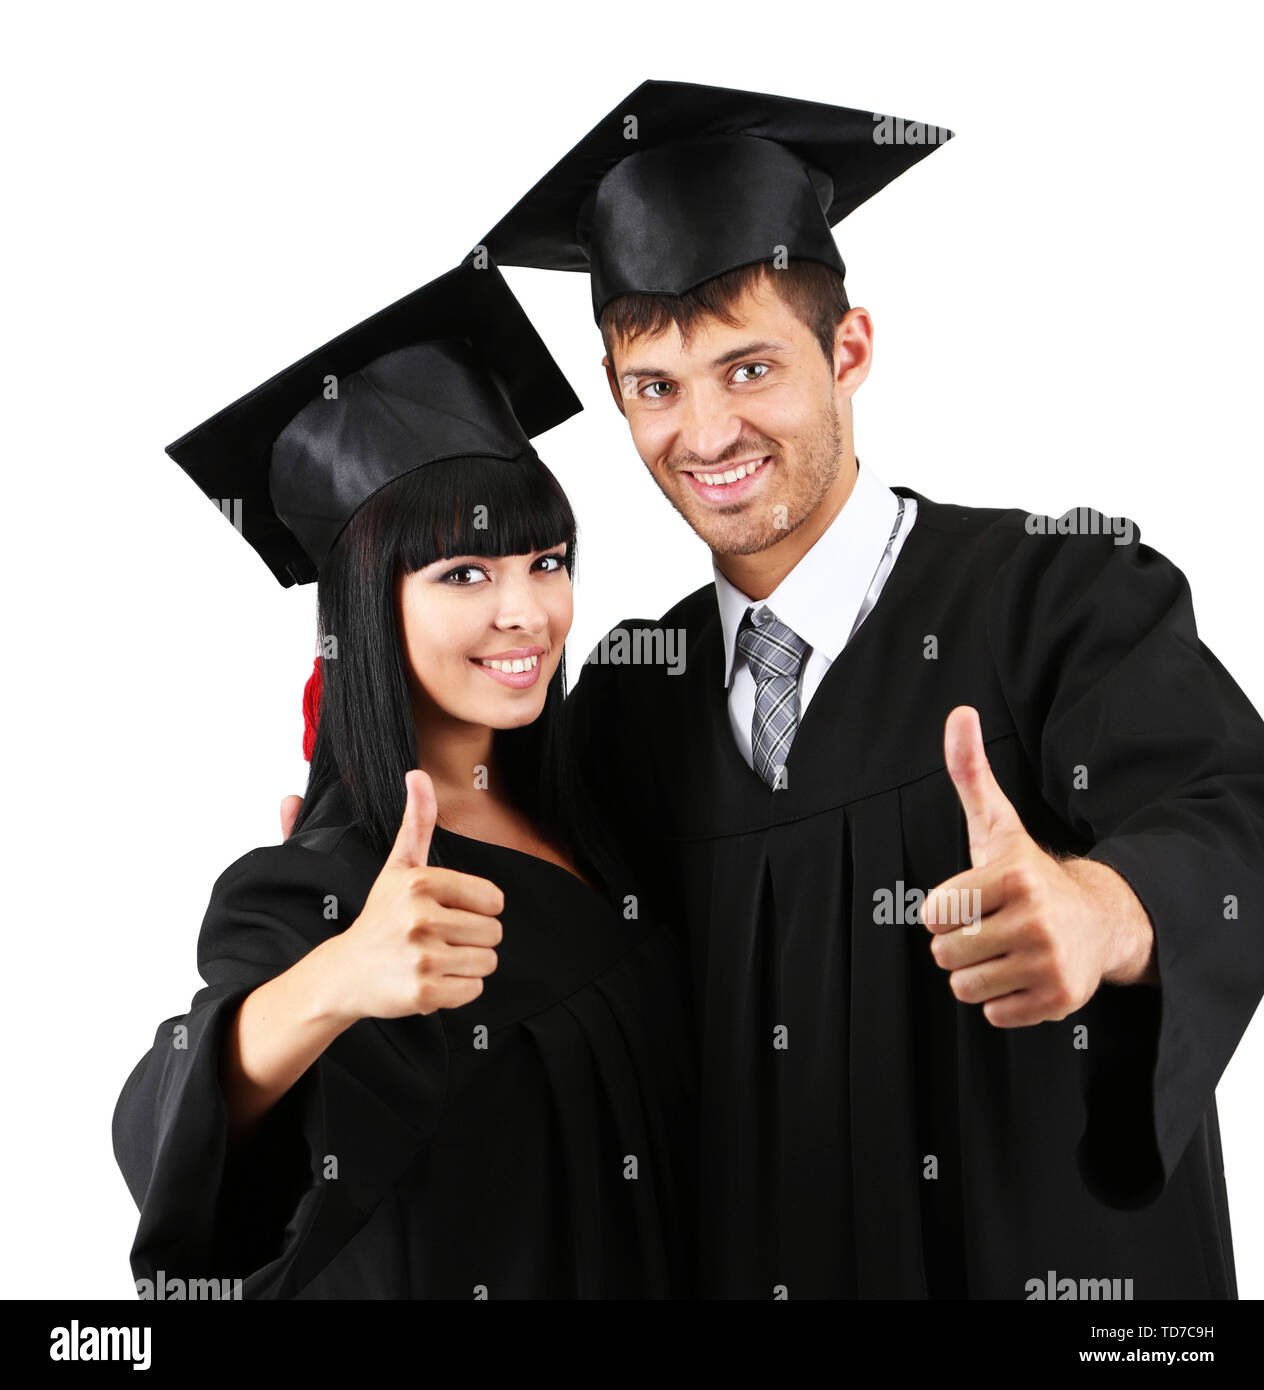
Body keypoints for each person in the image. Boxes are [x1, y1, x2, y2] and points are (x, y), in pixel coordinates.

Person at [471, 79, 1264, 1298]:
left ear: (848, 351)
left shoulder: (1060, 597)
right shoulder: (626, 706)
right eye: (655, 386)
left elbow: (1233, 816)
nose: (704, 432)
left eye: (748, 368)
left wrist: (1104, 912)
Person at [111, 261, 697, 1300]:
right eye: (464, 574)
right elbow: (161, 1127)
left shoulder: (597, 805)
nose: (526, 612)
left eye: (545, 560)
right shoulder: (331, 881)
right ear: (366, 613)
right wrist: (338, 977)